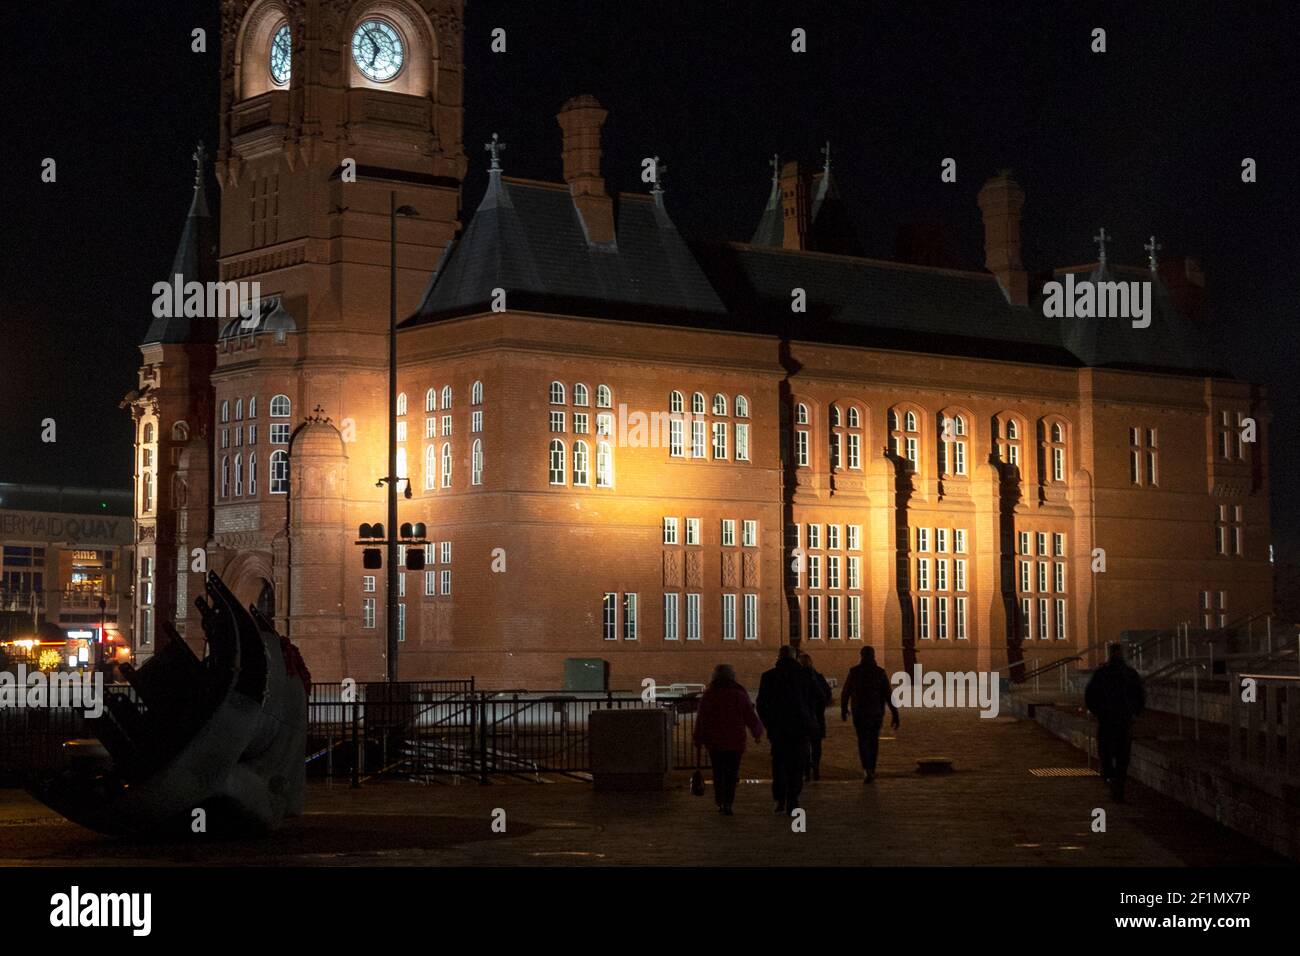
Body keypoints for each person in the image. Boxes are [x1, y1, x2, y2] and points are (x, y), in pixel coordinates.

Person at [756, 645, 821, 814]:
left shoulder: (769, 676)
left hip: (778, 728)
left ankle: (780, 799)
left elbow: (761, 704)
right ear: (794, 657)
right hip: (801, 727)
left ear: (779, 657)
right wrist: (809, 712)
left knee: (779, 763)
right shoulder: (805, 675)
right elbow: (821, 696)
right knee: (797, 765)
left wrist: (768, 723)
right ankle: (793, 798)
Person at [692, 664, 764, 815]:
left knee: (718, 773)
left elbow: (701, 719)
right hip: (735, 742)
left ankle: (720, 801)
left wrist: (698, 737)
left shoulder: (709, 695)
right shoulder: (739, 694)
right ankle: (728, 803)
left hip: (715, 742)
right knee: (732, 774)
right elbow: (750, 716)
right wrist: (757, 733)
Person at [1084, 642, 1145, 801]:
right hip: (1121, 720)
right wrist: (1134, 713)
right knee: (1120, 755)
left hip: (1109, 720)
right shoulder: (1129, 673)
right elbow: (1140, 696)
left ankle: (1113, 780)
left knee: (1108, 753)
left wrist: (1098, 711)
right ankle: (1117, 782)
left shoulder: (1104, 673)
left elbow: (1090, 695)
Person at [840, 646, 899, 782]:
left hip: (859, 712)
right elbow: (888, 695)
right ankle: (871, 768)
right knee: (873, 741)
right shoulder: (879, 672)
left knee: (863, 741)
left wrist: (844, 709)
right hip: (875, 713)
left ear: (861, 656)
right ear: (873, 656)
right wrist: (895, 714)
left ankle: (866, 769)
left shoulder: (854, 672)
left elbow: (845, 692)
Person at [798, 652, 832, 781]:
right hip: (817, 717)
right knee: (816, 744)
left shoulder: (797, 678)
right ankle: (816, 766)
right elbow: (826, 695)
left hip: (803, 716)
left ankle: (806, 770)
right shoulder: (817, 676)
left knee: (805, 743)